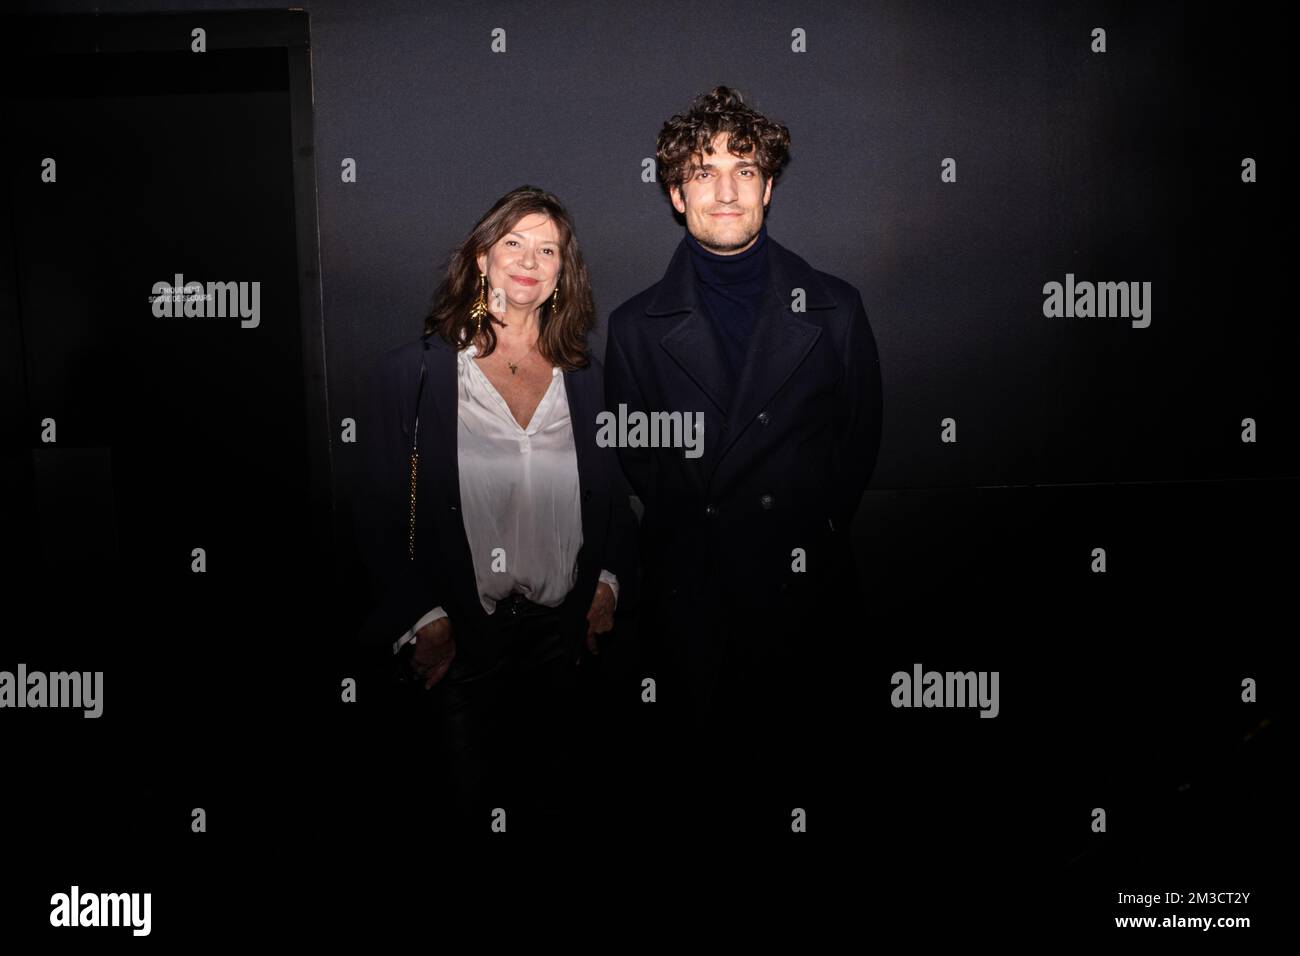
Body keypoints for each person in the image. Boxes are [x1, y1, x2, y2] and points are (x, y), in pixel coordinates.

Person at [605, 87, 883, 835]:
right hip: (690, 605)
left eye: (744, 168)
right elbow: (638, 459)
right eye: (702, 171)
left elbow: (856, 445)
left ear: (767, 186)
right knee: (701, 806)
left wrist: (810, 526)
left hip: (804, 600)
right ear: (675, 192)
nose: (724, 189)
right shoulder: (634, 326)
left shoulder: (836, 308)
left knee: (813, 795)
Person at [355, 185, 638, 832]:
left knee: (562, 809)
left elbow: (616, 499)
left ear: (564, 274)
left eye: (548, 249)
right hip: (459, 638)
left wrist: (609, 583)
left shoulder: (590, 377)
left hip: (564, 638)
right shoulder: (413, 374)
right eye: (513, 242)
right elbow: (376, 512)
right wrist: (422, 619)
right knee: (464, 811)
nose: (529, 260)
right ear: (481, 257)